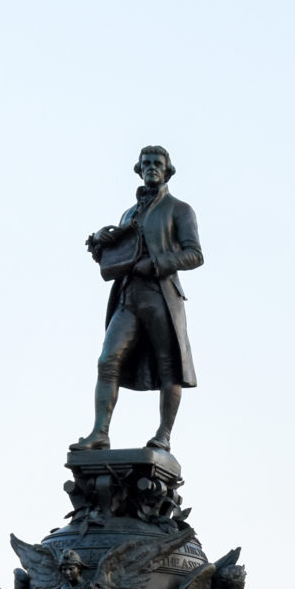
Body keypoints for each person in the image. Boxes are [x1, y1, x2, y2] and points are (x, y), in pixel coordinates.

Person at [78, 145, 200, 452]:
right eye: (146, 163)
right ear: (138, 168)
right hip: (128, 295)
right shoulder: (128, 213)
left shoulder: (180, 209)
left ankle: (164, 435)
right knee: (108, 360)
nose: (151, 167)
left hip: (160, 295)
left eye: (157, 163)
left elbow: (195, 254)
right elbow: (123, 252)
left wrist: (159, 263)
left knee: (168, 365)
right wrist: (102, 246)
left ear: (168, 170)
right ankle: (99, 432)